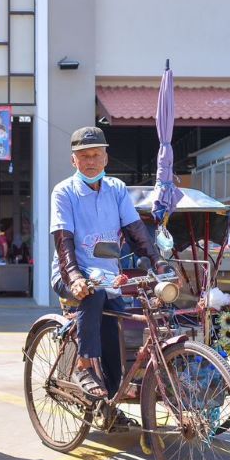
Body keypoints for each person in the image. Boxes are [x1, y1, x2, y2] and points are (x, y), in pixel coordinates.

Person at [50, 126, 163, 428]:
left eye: (96, 155)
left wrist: (158, 263)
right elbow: (63, 240)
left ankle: (111, 406)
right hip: (69, 274)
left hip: (107, 277)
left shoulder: (116, 189)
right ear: (74, 160)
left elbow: (137, 232)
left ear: (105, 157)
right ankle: (82, 365)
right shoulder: (64, 192)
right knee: (93, 293)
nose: (90, 161)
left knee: (115, 336)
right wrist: (74, 276)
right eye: (83, 156)